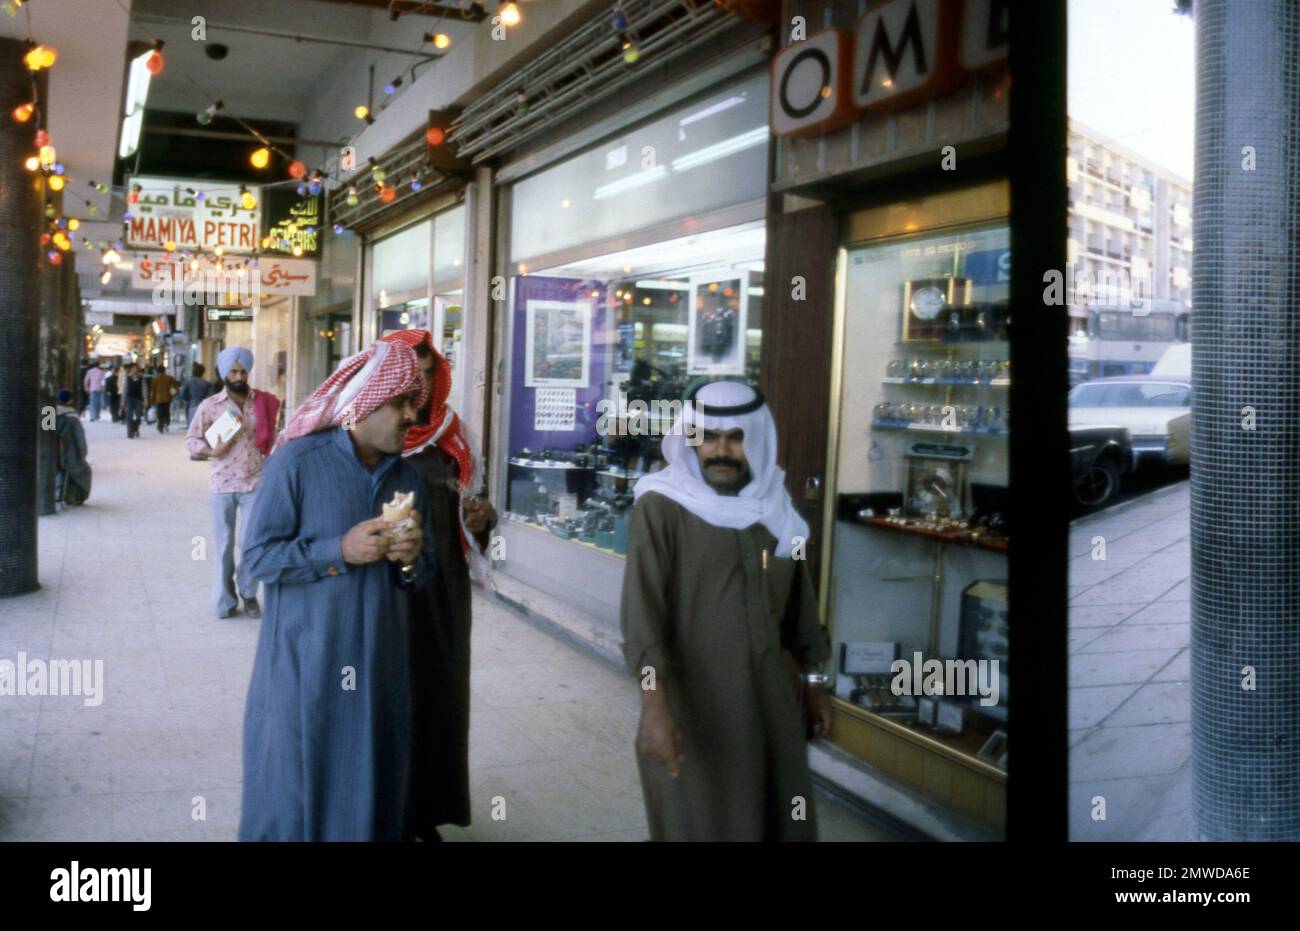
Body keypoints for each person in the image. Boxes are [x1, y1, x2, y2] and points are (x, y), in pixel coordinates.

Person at [237, 339, 437, 842]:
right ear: (364, 402)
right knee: (296, 783)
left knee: (371, 777)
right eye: (402, 402)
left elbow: (423, 575)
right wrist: (337, 550)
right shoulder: (297, 464)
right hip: (307, 661)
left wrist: (412, 561)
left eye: (416, 402)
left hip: (379, 666)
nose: (413, 414)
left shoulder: (407, 477)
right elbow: (256, 559)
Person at [620, 379, 832, 842]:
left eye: (735, 438)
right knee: (702, 822)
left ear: (754, 440)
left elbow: (800, 608)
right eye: (708, 437)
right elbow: (642, 618)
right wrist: (653, 710)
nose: (720, 450)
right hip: (694, 706)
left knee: (779, 821)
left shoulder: (777, 508)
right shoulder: (661, 506)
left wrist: (814, 686)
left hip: (773, 702)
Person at [381, 329, 497, 840]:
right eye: (409, 373)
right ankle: (382, 811)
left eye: (428, 374)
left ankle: (424, 813)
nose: (419, 386)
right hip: (382, 590)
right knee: (387, 696)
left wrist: (482, 518)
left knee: (438, 695)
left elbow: (476, 500)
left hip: (444, 590)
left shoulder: (454, 433)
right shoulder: (364, 432)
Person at [185, 347, 279, 619]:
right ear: (223, 373)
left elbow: (271, 436)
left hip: (254, 483)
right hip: (222, 484)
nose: (238, 376)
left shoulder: (261, 401)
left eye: (242, 371)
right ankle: (225, 600)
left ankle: (248, 593)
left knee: (251, 543)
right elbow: (192, 440)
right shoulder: (210, 405)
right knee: (224, 545)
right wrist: (211, 451)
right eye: (233, 371)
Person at [54, 388, 92, 507]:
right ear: (70, 401)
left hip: (52, 457)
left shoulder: (49, 412)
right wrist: (82, 454)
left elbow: (47, 434)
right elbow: (80, 440)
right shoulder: (72, 417)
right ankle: (75, 496)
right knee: (85, 470)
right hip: (69, 456)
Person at [179, 362, 212, 429]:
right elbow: (211, 396)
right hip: (204, 407)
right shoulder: (207, 384)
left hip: (192, 406)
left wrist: (188, 399)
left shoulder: (188, 382)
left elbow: (182, 394)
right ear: (202, 373)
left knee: (192, 429)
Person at [150, 365, 179, 434]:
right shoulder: (169, 378)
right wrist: (174, 392)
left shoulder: (155, 379)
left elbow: (153, 390)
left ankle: (160, 426)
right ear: (164, 370)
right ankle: (166, 422)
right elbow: (176, 386)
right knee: (166, 411)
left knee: (160, 413)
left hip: (158, 398)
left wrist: (152, 400)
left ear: (157, 371)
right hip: (167, 397)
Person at [120, 363, 145, 438]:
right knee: (129, 416)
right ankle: (130, 432)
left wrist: (146, 399)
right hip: (129, 399)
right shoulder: (127, 378)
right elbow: (124, 389)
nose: (135, 370)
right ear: (131, 369)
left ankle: (136, 428)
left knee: (139, 415)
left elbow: (144, 389)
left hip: (138, 399)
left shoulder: (141, 378)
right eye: (133, 368)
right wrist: (122, 401)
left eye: (136, 368)